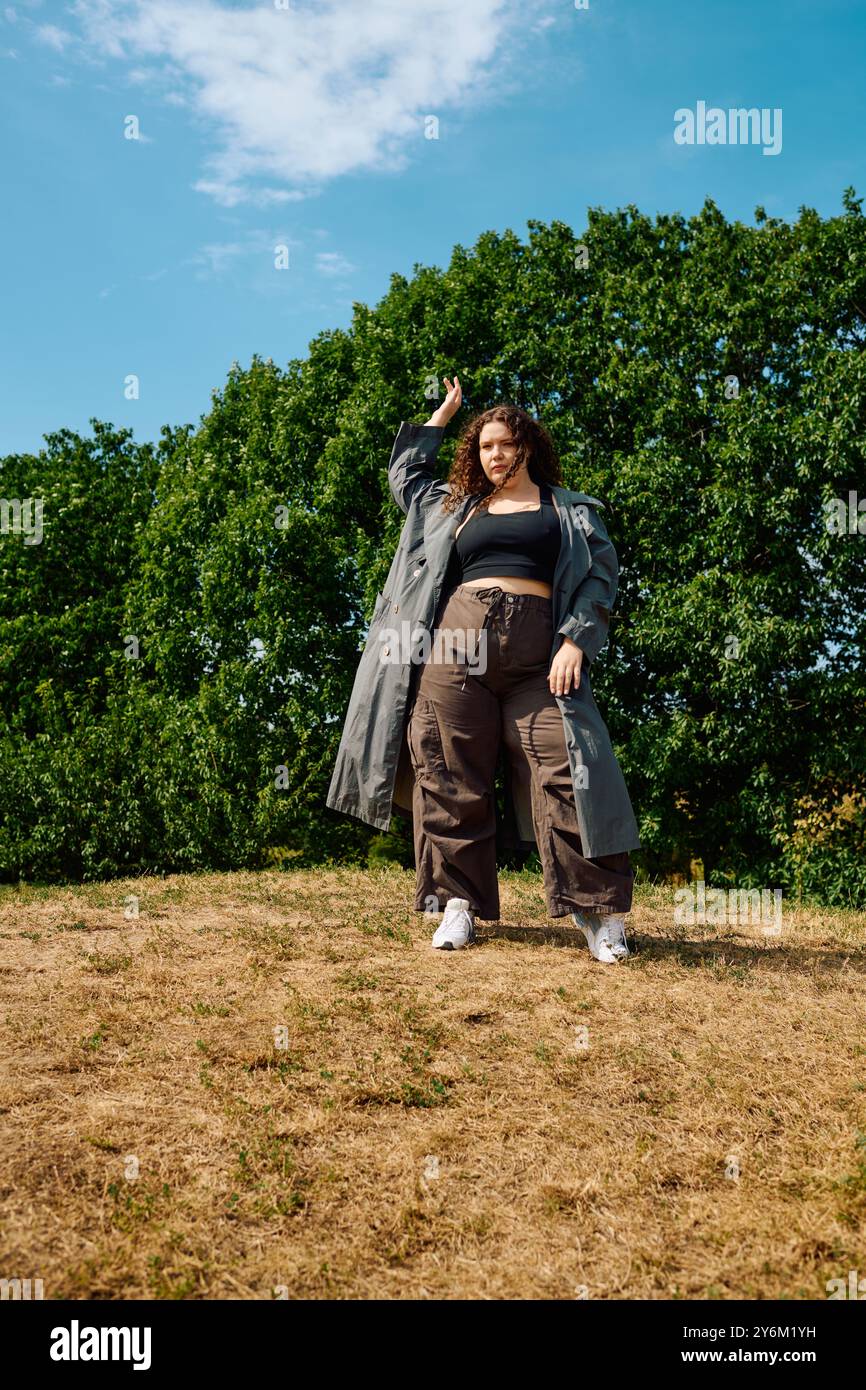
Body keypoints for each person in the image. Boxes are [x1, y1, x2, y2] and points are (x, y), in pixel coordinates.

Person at [407, 375, 639, 963]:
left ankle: (596, 914)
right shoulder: (455, 509)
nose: (494, 455)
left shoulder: (567, 509)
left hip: (541, 655)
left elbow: (600, 576)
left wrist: (576, 641)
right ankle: (458, 906)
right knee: (451, 771)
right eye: (484, 446)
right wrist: (442, 416)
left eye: (504, 444)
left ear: (526, 446)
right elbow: (406, 476)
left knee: (570, 768)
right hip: (457, 648)